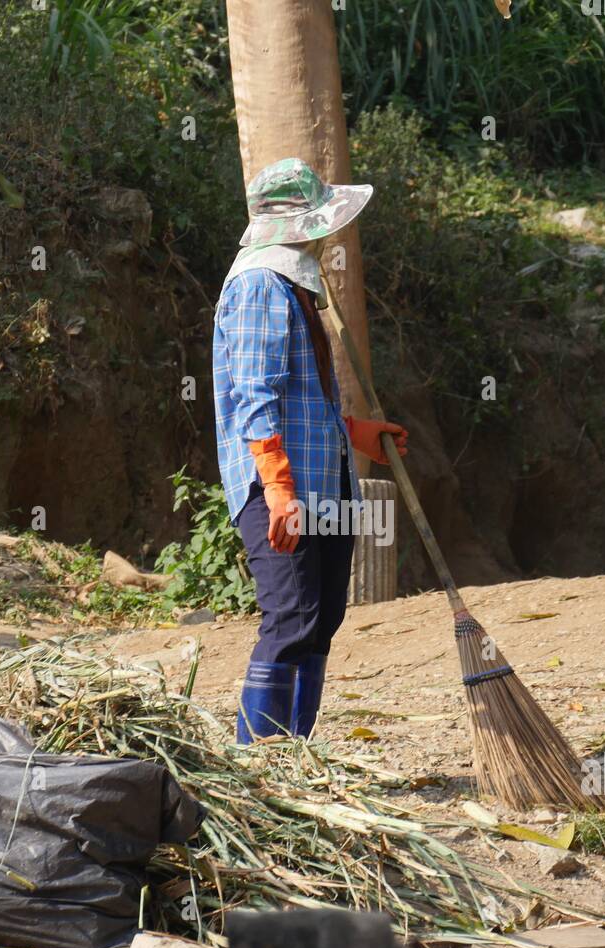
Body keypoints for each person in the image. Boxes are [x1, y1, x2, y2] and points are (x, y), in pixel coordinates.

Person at [212, 157, 409, 743]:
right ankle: (262, 767)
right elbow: (253, 394)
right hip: (284, 490)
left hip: (325, 480)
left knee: (322, 619)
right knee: (290, 619)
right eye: (321, 226)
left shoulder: (297, 291)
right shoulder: (258, 285)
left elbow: (299, 401)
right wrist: (276, 487)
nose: (328, 237)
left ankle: (295, 755)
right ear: (300, 227)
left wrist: (354, 432)